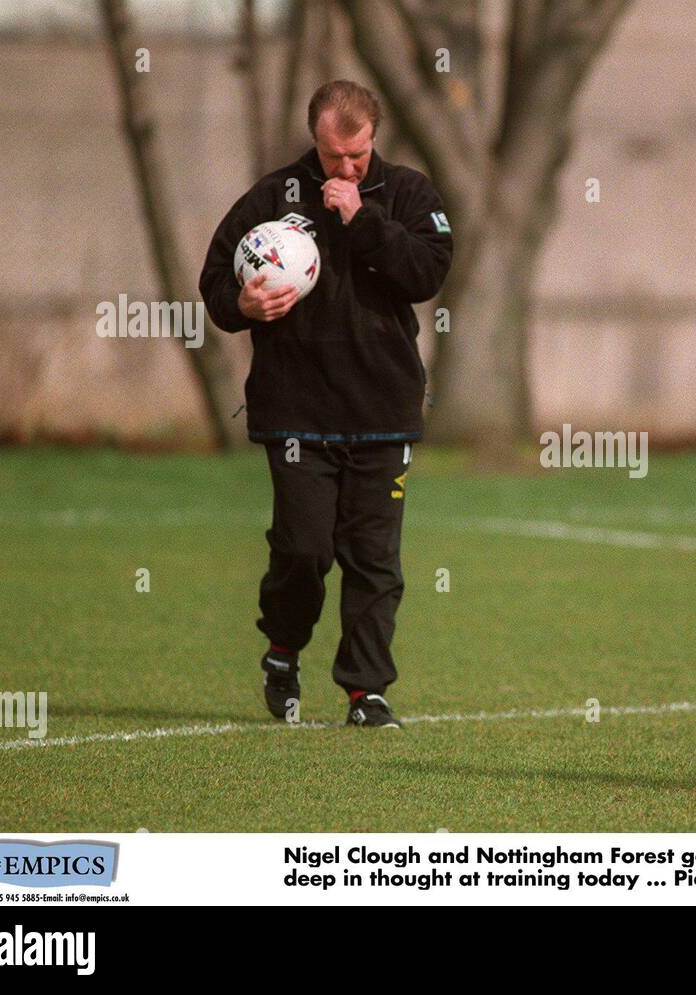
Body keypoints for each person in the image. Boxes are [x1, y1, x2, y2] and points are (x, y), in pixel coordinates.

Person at [199, 80, 453, 729]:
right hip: (297, 412)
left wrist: (363, 221)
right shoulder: (273, 197)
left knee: (374, 560)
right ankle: (283, 651)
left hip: (382, 410)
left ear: (374, 138)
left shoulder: (408, 194)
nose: (343, 168)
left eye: (356, 156)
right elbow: (214, 278)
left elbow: (427, 271)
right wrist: (241, 305)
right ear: (315, 139)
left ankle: (365, 693)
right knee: (304, 548)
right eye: (332, 155)